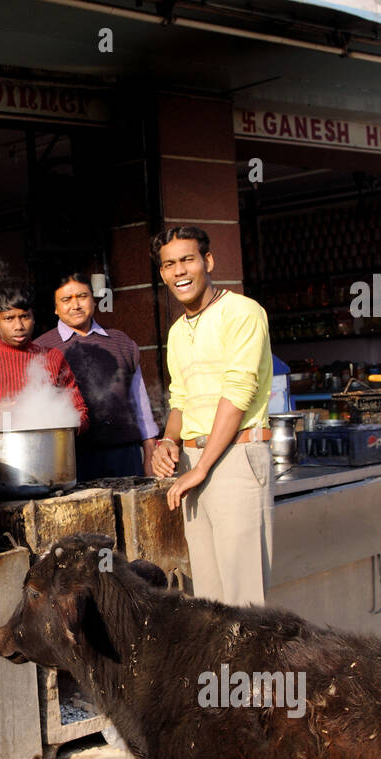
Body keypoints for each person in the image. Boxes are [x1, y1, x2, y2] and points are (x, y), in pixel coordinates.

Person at [149, 225, 274, 606]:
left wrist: (202, 466)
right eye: (169, 264)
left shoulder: (242, 312)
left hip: (234, 459)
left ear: (208, 261)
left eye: (187, 260)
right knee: (209, 600)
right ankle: (221, 670)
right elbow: (181, 400)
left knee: (244, 599)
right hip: (192, 462)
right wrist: (168, 442)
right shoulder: (176, 331)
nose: (179, 271)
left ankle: (252, 669)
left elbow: (237, 394)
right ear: (162, 274)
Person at [33, 272, 159, 479]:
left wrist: (150, 452)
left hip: (125, 454)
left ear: (93, 299)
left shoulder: (121, 342)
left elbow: (141, 404)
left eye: (82, 296)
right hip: (72, 458)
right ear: (55, 307)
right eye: (66, 300)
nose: (75, 305)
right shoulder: (41, 349)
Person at [0, 283, 89, 432]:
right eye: (9, 318)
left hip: (47, 450)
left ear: (33, 317)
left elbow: (80, 411)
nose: (19, 326)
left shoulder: (53, 357)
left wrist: (61, 421)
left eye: (24, 316)